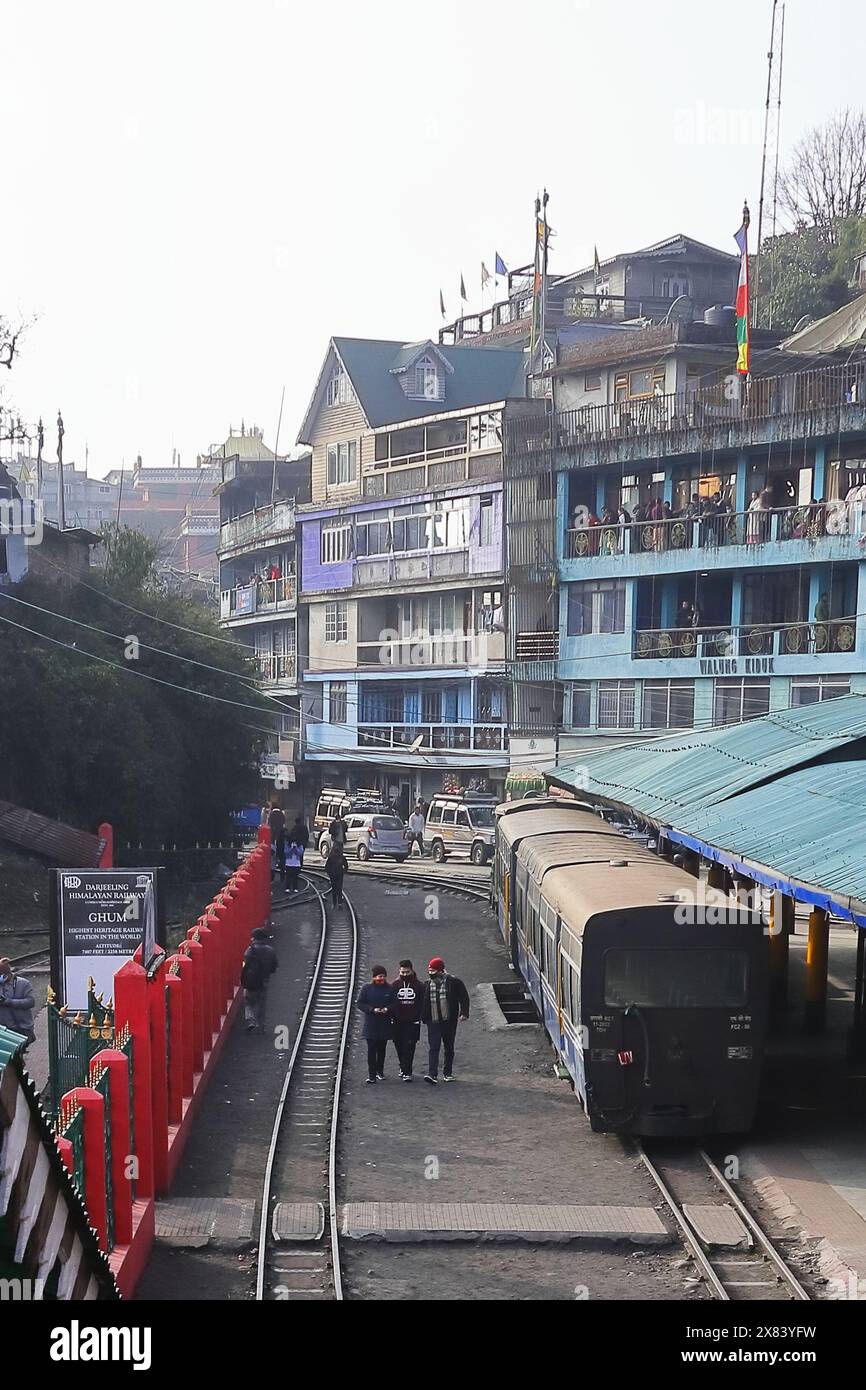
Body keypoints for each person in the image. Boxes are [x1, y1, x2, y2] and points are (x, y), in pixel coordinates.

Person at [421, 956, 470, 1085]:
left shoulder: (454, 982)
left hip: (449, 1020)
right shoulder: (426, 984)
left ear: (441, 970)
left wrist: (464, 1013)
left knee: (449, 1047)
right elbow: (423, 1002)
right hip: (433, 1020)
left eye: (433, 971)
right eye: (429, 970)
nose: (431, 973)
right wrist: (424, 1018)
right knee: (434, 1047)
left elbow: (464, 998)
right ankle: (432, 1074)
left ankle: (447, 1073)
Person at [356, 966, 394, 1083]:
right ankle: (372, 1075)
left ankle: (380, 1071)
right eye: (379, 976)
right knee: (371, 1050)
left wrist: (387, 1009)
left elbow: (395, 1003)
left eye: (383, 976)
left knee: (382, 1049)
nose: (381, 978)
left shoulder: (389, 988)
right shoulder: (367, 988)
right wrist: (372, 1009)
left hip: (384, 1024)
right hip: (371, 1024)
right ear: (374, 977)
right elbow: (360, 1003)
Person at [390, 959, 424, 1081]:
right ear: (399, 971)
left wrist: (419, 1016)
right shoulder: (394, 985)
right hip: (397, 1022)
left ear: (412, 970)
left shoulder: (419, 986)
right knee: (398, 1045)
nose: (404, 974)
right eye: (402, 972)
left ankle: (407, 1071)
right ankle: (403, 1066)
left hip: (412, 1022)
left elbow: (422, 1003)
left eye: (407, 972)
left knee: (409, 1046)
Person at [241, 928, 278, 1034]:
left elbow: (245, 965)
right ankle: (261, 1026)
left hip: (250, 981)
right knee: (261, 1003)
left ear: (253, 938)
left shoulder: (249, 950)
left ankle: (251, 1020)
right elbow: (274, 967)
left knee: (248, 1001)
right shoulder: (270, 950)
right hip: (264, 981)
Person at [0, 958, 35, 1044]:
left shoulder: (23, 983)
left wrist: (10, 1002)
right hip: (3, 1029)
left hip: (21, 1028)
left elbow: (30, 1002)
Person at [325, 839, 348, 907]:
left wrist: (343, 871)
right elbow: (327, 867)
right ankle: (335, 902)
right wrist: (330, 873)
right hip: (334, 875)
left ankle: (338, 902)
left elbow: (346, 866)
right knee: (335, 888)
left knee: (338, 888)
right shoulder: (331, 858)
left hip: (339, 874)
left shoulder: (341, 857)